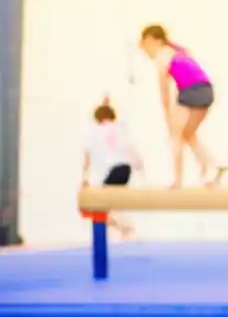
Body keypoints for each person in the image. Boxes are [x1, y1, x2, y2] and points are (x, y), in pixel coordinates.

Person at [139, 24, 217, 188]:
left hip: (192, 90)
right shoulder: (176, 51)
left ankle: (178, 181)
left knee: (176, 136)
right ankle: (209, 169)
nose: (145, 50)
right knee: (188, 134)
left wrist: (167, 114)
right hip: (206, 90)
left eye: (145, 45)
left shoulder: (163, 55)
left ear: (154, 41)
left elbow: (164, 89)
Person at [80, 98, 143, 238]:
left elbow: (87, 157)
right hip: (125, 169)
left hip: (115, 170)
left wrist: (84, 178)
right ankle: (124, 228)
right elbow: (131, 148)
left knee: (101, 205)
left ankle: (126, 227)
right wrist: (139, 165)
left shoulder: (94, 131)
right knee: (108, 206)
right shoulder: (120, 127)